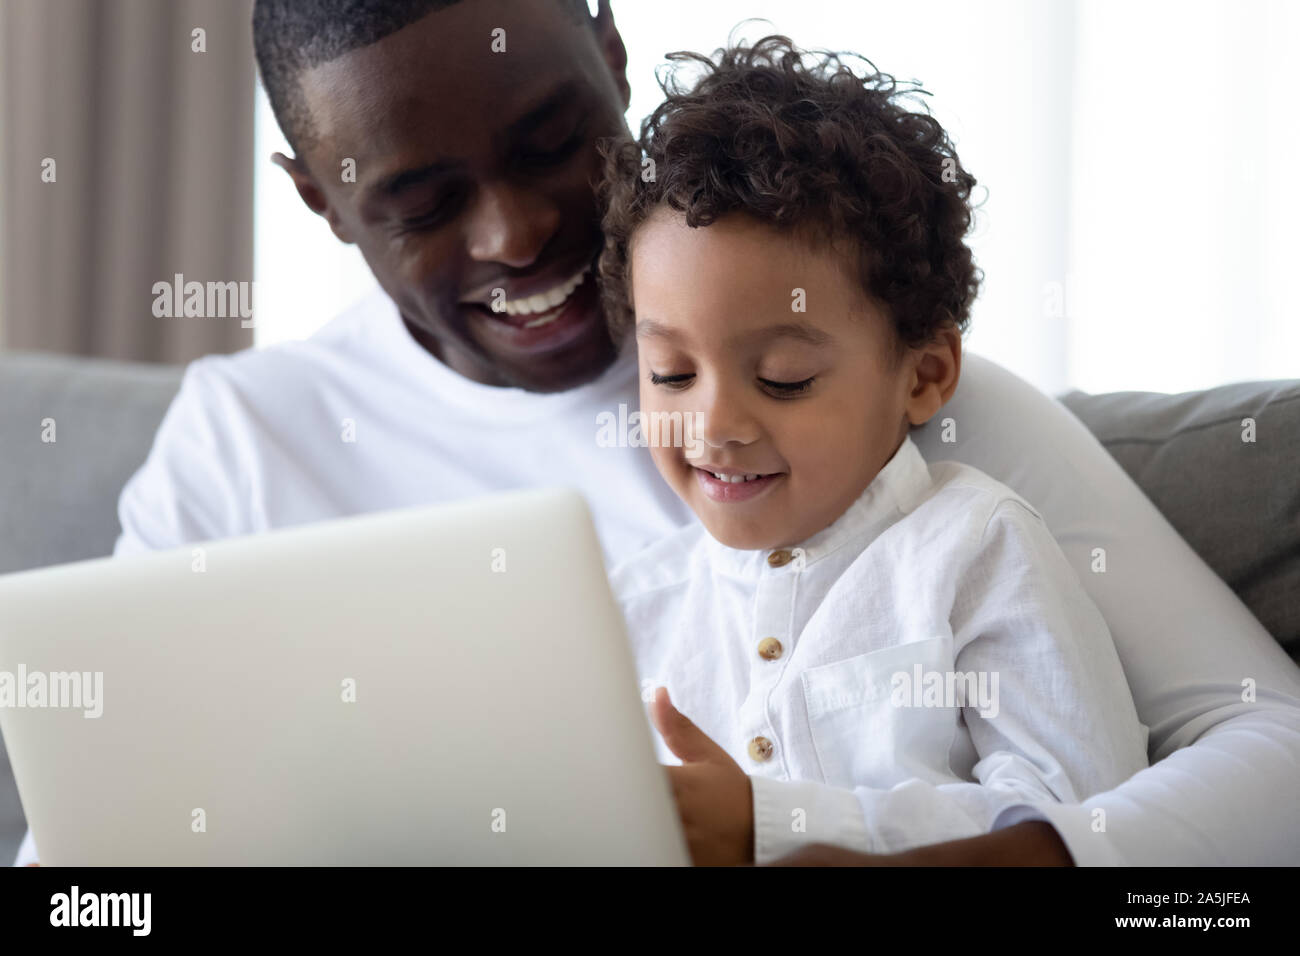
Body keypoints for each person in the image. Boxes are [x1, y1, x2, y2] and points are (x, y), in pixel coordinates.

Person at [15, 0, 1300, 866]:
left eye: (550, 143)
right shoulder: (241, 441)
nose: (515, 234)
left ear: (614, 64)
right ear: (318, 198)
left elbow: (1274, 753)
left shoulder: (864, 373)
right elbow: (81, 867)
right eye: (420, 198)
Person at [600, 36, 1149, 865]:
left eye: (783, 378)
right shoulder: (630, 608)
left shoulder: (973, 548)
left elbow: (1079, 820)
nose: (713, 427)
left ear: (923, 375)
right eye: (671, 373)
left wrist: (776, 822)